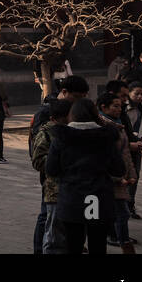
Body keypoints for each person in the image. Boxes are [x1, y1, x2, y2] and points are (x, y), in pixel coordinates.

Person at [45, 98, 124, 255]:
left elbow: (51, 169)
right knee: (98, 244)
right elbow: (118, 169)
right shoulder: (106, 138)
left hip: (73, 197)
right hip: (97, 197)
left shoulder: (62, 137)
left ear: (71, 115)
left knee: (73, 245)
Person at [30, 97, 72, 254]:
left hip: (71, 188)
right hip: (54, 189)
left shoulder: (72, 131)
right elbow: (38, 162)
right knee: (53, 233)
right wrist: (61, 158)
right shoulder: (46, 134)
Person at [97, 92, 138, 252]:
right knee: (115, 213)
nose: (119, 109)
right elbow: (102, 158)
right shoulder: (102, 127)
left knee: (120, 212)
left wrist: (131, 173)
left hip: (119, 177)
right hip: (106, 180)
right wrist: (116, 177)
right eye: (116, 106)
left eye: (121, 106)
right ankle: (122, 242)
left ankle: (121, 241)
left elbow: (125, 153)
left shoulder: (118, 124)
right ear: (103, 107)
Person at [125, 83, 142, 218]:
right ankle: (124, 205)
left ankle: (130, 205)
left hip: (138, 147)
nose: (140, 96)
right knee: (125, 177)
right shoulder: (124, 108)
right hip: (126, 147)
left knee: (135, 177)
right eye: (137, 93)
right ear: (129, 93)